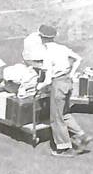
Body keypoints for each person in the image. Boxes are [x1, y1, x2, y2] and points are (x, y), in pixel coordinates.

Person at [36, 23, 89, 156]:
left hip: (58, 84)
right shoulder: (62, 48)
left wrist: (39, 87)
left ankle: (64, 148)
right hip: (67, 82)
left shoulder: (48, 53)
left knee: (56, 117)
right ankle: (81, 135)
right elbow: (78, 59)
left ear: (42, 38)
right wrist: (71, 74)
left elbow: (48, 80)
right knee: (64, 113)